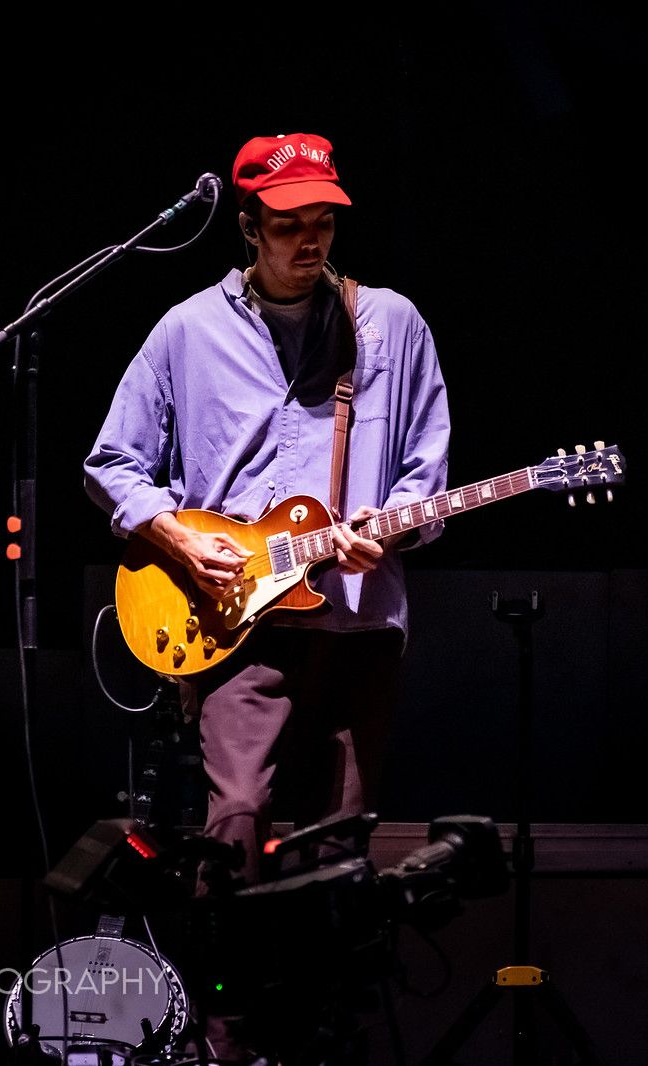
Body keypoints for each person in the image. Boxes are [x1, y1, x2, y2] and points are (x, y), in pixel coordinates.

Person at [83, 132, 450, 888]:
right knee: (236, 823)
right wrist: (178, 539)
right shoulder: (187, 330)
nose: (309, 239)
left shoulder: (389, 324)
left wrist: (394, 527)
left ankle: (325, 1005)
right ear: (249, 226)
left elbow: (425, 470)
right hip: (233, 626)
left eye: (323, 220)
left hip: (356, 621)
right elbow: (112, 462)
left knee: (340, 846)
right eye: (288, 224)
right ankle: (231, 1005)